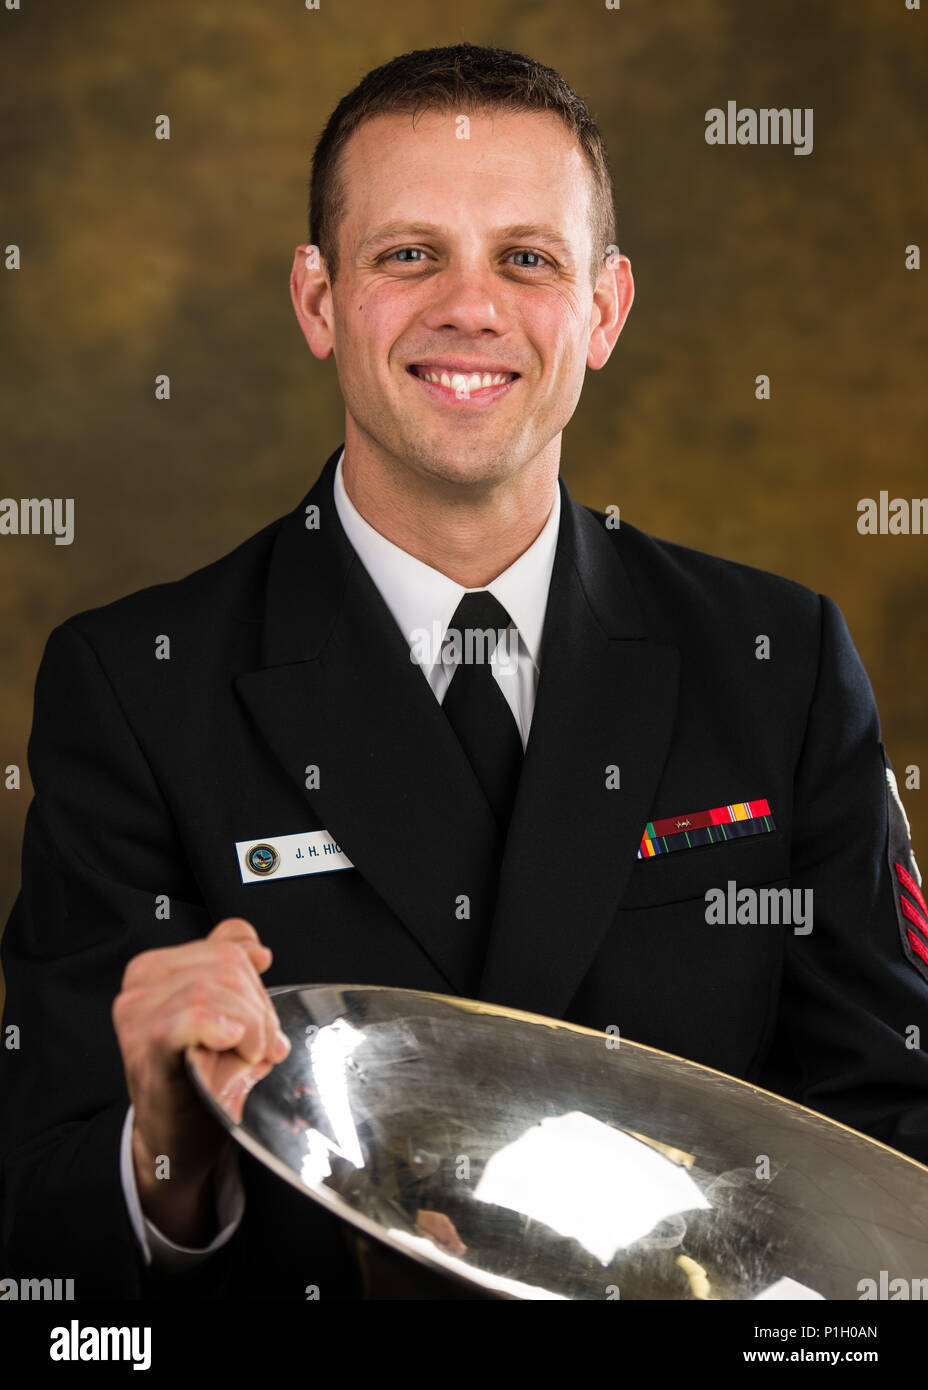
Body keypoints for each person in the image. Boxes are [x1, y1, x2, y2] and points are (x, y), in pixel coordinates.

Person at [1, 43, 926, 1303]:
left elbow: (889, 1143)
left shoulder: (780, 663)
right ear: (319, 300)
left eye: (527, 258)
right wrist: (169, 1155)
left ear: (603, 310)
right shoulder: (135, 685)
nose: (470, 309)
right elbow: (46, 1236)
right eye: (408, 253)